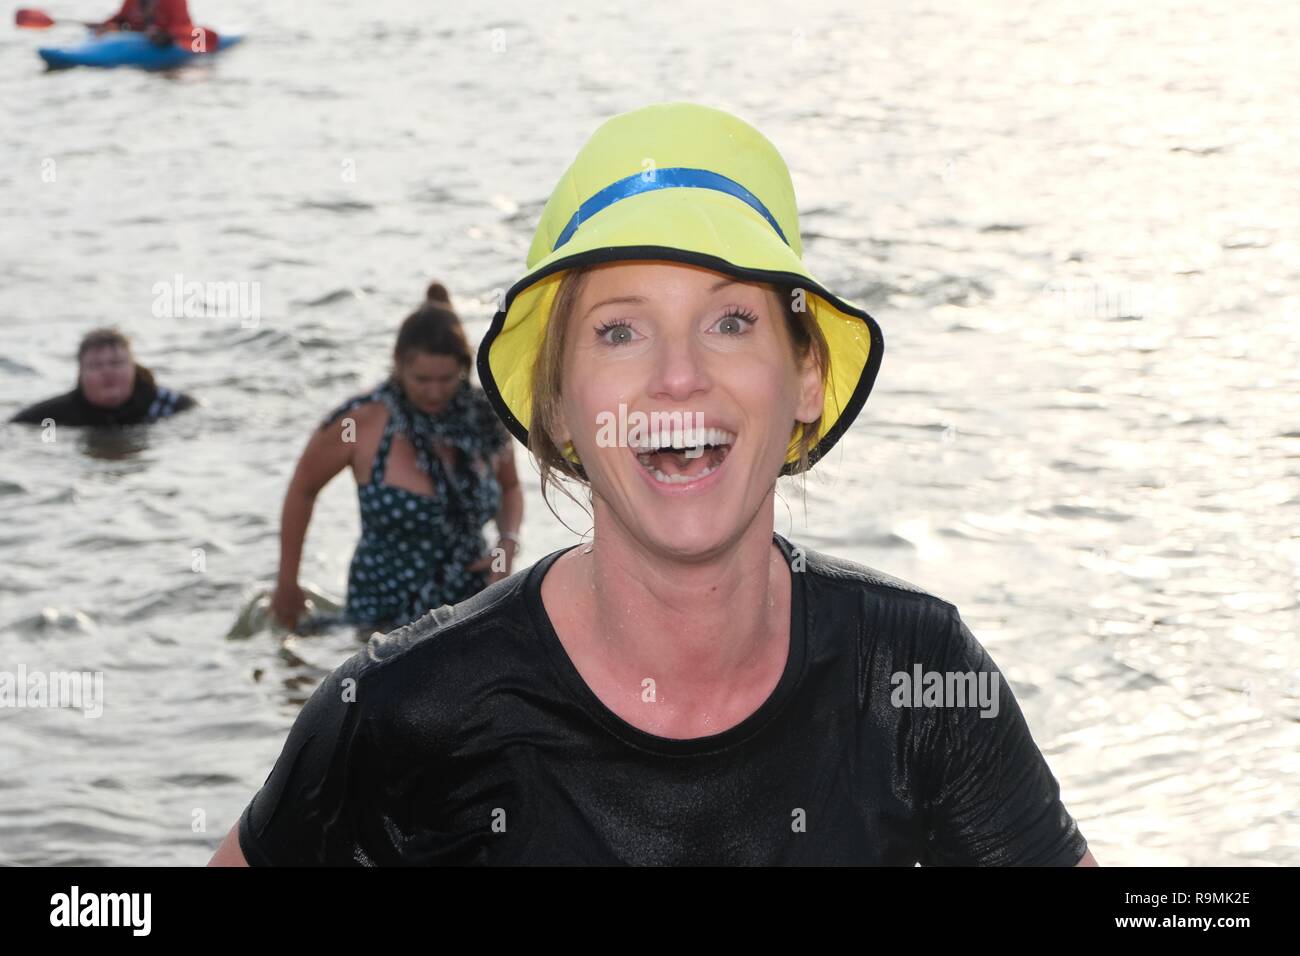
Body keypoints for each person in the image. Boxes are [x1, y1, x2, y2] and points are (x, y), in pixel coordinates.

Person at [211, 103, 1097, 866]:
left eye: (731, 320)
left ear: (807, 381)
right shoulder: (407, 710)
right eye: (620, 331)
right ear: (557, 404)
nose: (679, 378)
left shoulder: (914, 675)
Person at [269, 282, 523, 635]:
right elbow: (303, 490)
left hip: (468, 602)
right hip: (380, 610)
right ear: (398, 366)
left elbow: (509, 488)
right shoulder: (360, 422)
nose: (434, 392)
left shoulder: (483, 418)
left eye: (446, 379)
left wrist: (506, 545)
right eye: (421, 379)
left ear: (463, 368)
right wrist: (287, 583)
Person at [10, 327, 195, 427]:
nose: (107, 372)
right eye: (96, 366)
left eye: (116, 363)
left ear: (134, 368)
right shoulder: (47, 417)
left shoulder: (172, 406)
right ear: (81, 374)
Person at [93, 0, 195, 48]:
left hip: (168, 41)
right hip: (139, 40)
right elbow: (119, 18)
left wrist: (165, 35)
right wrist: (105, 27)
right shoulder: (132, 2)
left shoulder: (175, 2)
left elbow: (181, 26)